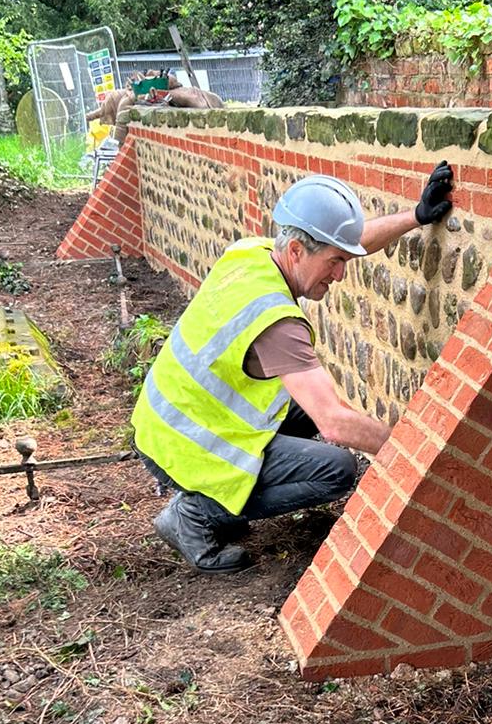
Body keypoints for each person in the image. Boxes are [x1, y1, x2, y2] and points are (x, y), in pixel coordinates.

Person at [132, 162, 455, 572]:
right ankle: (195, 514)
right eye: (335, 262)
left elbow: (339, 243)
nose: (340, 274)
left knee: (300, 408)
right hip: (184, 447)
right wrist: (415, 452)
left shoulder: (253, 254)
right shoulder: (278, 323)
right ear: (298, 251)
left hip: (169, 423)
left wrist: (416, 215)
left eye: (343, 260)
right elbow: (334, 424)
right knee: (337, 469)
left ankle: (216, 499)